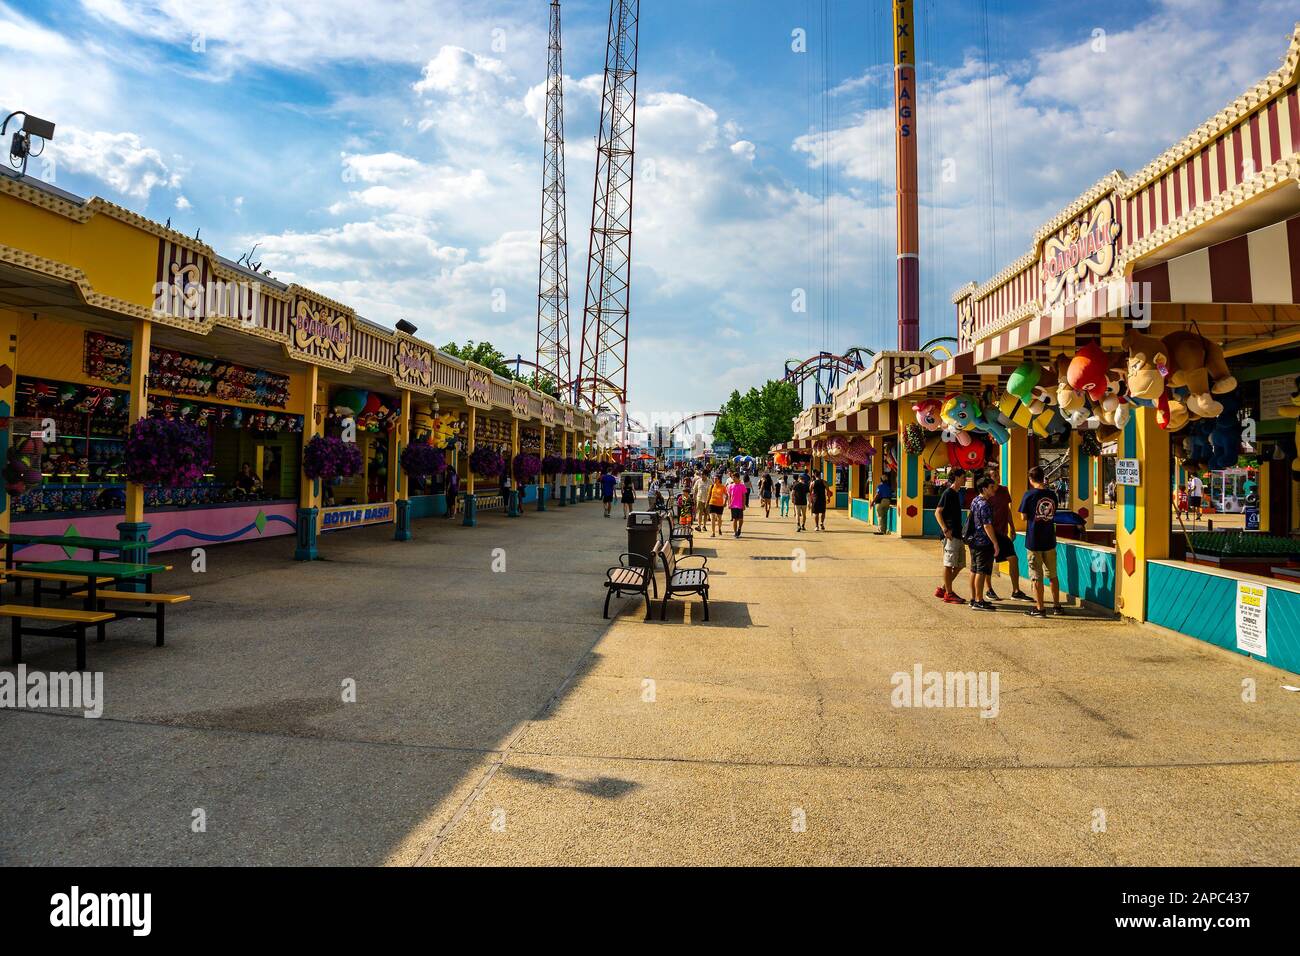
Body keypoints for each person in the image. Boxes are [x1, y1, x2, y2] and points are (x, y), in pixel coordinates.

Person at [1020, 465, 1062, 617]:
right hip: (1049, 539)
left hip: (1034, 540)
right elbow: (1053, 512)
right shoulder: (1052, 495)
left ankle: (1040, 608)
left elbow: (1023, 517)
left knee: (1036, 576)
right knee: (1052, 575)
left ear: (1031, 479)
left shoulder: (1029, 495)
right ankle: (1057, 606)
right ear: (1042, 477)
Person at [983, 466, 1030, 602]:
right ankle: (989, 589)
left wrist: (1012, 527)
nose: (997, 477)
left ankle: (1016, 591)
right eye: (994, 475)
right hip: (990, 533)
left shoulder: (1004, 490)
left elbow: (1007, 509)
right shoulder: (986, 493)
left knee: (1013, 559)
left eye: (997, 474)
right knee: (988, 562)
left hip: (1003, 533)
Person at [965, 477, 1000, 611]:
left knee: (974, 570)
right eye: (991, 487)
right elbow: (987, 525)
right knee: (981, 571)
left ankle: (974, 598)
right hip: (983, 541)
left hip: (974, 541)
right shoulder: (984, 504)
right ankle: (979, 600)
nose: (993, 489)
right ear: (984, 489)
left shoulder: (975, 501)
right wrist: (995, 543)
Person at [934, 468, 967, 604]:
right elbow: (937, 512)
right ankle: (949, 593)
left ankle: (943, 588)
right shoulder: (948, 493)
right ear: (957, 477)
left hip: (958, 534)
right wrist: (945, 529)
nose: (965, 479)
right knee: (948, 564)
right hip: (950, 535)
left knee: (960, 564)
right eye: (964, 477)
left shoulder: (956, 493)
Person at [707, 472, 728, 536]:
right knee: (713, 518)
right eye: (714, 478)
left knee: (719, 519)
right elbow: (709, 495)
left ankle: (719, 528)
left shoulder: (723, 487)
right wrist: (707, 503)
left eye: (716, 479)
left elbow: (727, 495)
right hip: (712, 503)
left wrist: (725, 502)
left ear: (719, 479)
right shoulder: (712, 486)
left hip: (720, 504)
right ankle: (713, 532)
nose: (714, 480)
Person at [727, 471, 747, 537]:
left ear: (738, 478)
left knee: (741, 519)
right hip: (733, 505)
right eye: (733, 477)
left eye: (734, 477)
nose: (733, 479)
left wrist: (744, 505)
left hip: (740, 505)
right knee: (735, 519)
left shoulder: (742, 486)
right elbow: (729, 496)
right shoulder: (730, 486)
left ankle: (739, 528)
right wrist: (729, 504)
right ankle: (735, 532)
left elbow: (744, 496)